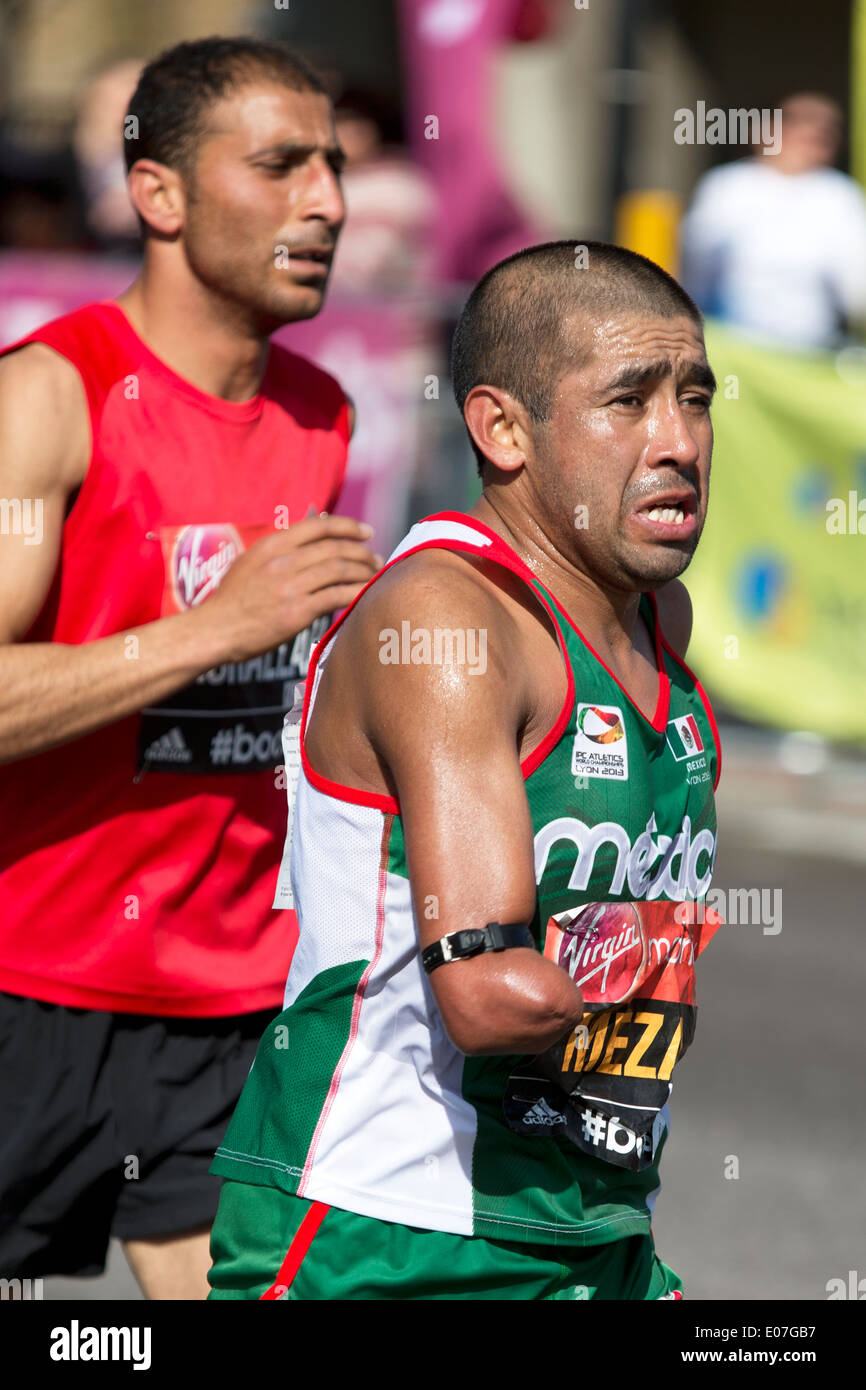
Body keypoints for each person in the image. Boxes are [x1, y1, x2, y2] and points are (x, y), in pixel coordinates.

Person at [207, 240, 723, 1301]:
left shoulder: (654, 621)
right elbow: (490, 993)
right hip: (389, 1234)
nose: (676, 441)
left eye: (694, 397)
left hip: (587, 1220)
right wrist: (655, 963)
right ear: (500, 428)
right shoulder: (446, 623)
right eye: (626, 401)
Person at [0, 35, 382, 1299]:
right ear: (157, 194)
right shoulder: (53, 398)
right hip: (27, 990)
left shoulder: (322, 410)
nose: (325, 200)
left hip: (223, 1007)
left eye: (330, 165)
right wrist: (218, 626)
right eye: (278, 165)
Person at [680, 92, 866, 351]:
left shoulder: (839, 195)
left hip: (810, 349)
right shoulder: (726, 186)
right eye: (797, 128)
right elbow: (697, 267)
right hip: (728, 344)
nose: (808, 143)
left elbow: (855, 287)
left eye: (821, 136)